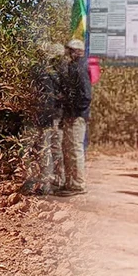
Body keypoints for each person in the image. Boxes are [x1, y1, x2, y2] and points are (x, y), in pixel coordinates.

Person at [21, 42, 66, 195]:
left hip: (51, 116)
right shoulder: (56, 73)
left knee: (50, 148)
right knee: (51, 148)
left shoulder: (49, 73)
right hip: (51, 116)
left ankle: (52, 183)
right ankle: (52, 183)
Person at [57, 39, 92, 197]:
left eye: (70, 50)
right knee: (68, 149)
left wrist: (75, 112)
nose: (68, 53)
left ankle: (78, 184)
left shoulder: (80, 68)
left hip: (76, 116)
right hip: (71, 115)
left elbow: (86, 96)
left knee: (75, 149)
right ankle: (70, 182)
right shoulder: (74, 67)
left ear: (77, 51)